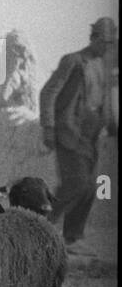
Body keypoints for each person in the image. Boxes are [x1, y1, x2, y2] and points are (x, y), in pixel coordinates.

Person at [39, 16, 118, 252]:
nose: (107, 47)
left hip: (90, 137)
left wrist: (111, 126)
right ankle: (42, 227)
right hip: (69, 133)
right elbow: (48, 92)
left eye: (111, 43)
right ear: (93, 38)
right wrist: (49, 126)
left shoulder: (103, 65)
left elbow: (103, 100)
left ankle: (72, 237)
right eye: (104, 42)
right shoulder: (74, 61)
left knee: (92, 187)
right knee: (76, 183)